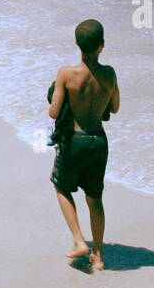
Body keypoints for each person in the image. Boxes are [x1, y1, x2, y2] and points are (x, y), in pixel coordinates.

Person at [49, 19, 119, 271]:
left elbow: (54, 112)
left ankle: (79, 241)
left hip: (74, 141)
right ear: (101, 46)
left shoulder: (66, 74)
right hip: (98, 141)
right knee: (95, 198)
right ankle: (98, 257)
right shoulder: (109, 74)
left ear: (77, 44)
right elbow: (115, 107)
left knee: (60, 186)